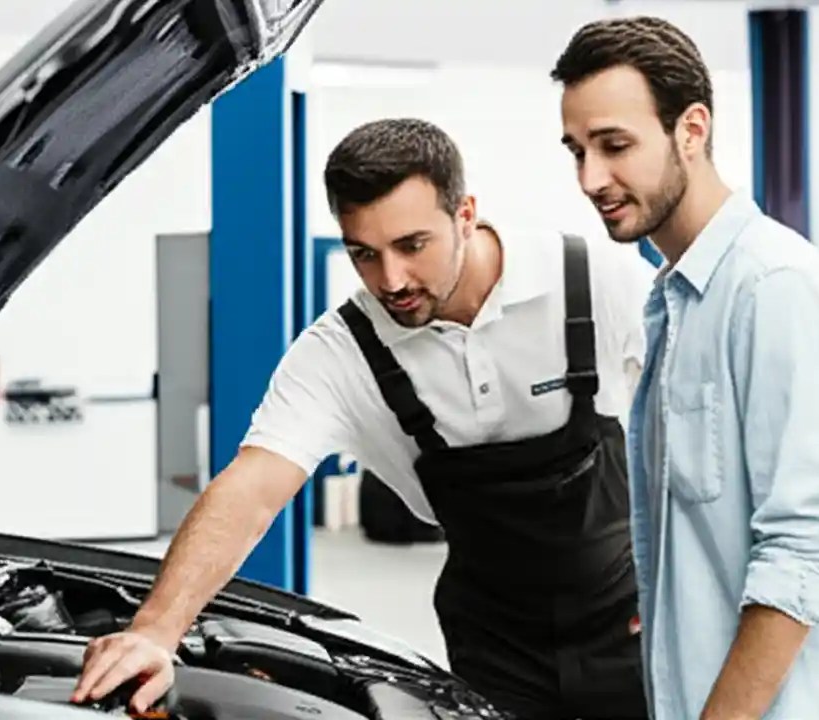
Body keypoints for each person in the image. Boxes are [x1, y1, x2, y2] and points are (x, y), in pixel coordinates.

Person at [71, 117, 656, 719]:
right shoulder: (342, 351)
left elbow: (714, 424)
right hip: (495, 642)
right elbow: (250, 491)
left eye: (412, 245)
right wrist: (155, 632)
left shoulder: (597, 285)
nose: (391, 280)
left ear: (465, 215)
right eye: (363, 254)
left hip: (634, 623)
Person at [552, 16, 819, 720]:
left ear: (692, 129)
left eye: (615, 146)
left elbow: (806, 551)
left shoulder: (775, 288)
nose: (591, 178)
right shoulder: (672, 303)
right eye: (577, 150)